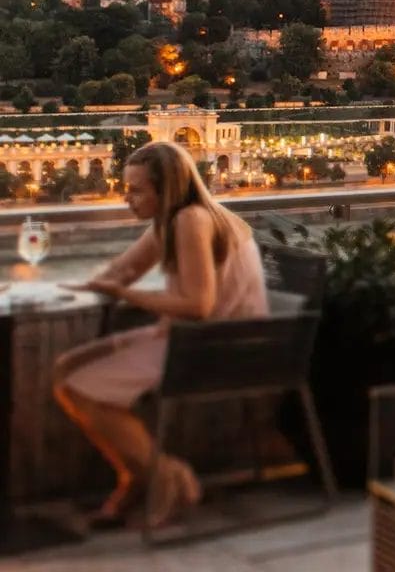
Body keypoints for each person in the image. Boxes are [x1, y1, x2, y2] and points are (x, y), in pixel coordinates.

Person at [53, 142, 268, 527]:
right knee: (65, 368)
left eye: (136, 190)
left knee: (79, 387)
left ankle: (164, 477)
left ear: (165, 191)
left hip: (219, 348)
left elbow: (198, 305)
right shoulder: (173, 220)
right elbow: (122, 271)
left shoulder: (192, 221)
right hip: (195, 339)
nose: (126, 198)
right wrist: (64, 287)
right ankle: (142, 475)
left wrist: (125, 295)